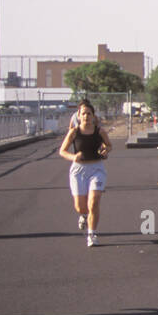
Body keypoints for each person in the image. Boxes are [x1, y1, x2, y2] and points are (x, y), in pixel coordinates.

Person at [60, 103, 112, 246]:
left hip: (97, 169)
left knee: (94, 203)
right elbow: (62, 151)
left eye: (89, 113)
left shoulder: (100, 131)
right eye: (83, 113)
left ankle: (91, 234)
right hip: (79, 170)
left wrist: (105, 151)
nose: (86, 116)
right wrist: (73, 157)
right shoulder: (74, 132)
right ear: (79, 116)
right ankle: (83, 215)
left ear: (93, 116)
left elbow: (109, 145)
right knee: (80, 207)